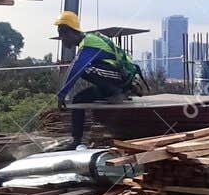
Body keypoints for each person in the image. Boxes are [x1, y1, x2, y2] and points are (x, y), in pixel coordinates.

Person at [55, 10, 144, 147]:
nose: (63, 40)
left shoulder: (89, 42)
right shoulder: (88, 42)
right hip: (110, 80)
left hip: (120, 79)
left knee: (84, 68)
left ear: (69, 32)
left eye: (62, 36)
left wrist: (62, 95)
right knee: (79, 100)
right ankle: (76, 140)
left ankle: (118, 92)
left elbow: (76, 68)